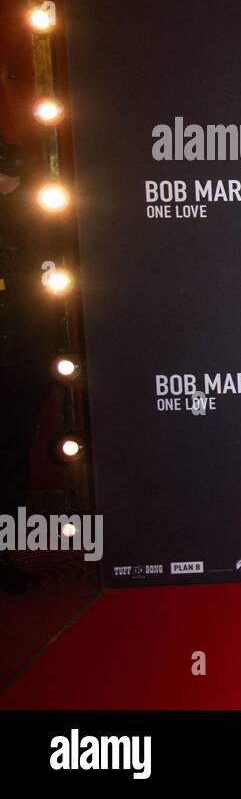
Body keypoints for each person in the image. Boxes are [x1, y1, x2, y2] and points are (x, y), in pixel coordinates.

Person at [0, 133, 58, 594]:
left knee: (12, 461)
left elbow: (44, 287)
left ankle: (4, 561)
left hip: (22, 360)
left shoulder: (28, 218)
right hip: (20, 357)